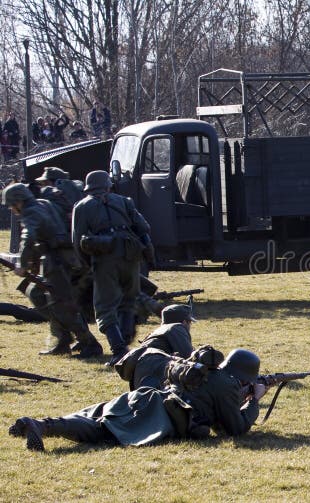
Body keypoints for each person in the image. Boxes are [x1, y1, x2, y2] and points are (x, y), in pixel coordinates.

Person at [8, 348, 268, 451]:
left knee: (96, 413)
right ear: (246, 376)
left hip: (147, 395)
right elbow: (235, 428)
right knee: (101, 430)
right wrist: (254, 400)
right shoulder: (226, 385)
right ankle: (41, 427)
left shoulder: (204, 371)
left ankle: (40, 424)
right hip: (160, 416)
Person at [1, 183, 103, 357]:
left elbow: (28, 237)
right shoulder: (43, 204)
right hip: (58, 260)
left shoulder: (31, 211)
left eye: (11, 204)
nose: (11, 209)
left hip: (57, 263)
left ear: (19, 201)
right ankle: (63, 339)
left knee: (63, 305)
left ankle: (90, 344)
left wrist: (22, 265)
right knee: (36, 294)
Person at [72, 170, 152, 365]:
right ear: (108, 186)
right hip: (131, 253)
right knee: (128, 300)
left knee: (104, 307)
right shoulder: (125, 201)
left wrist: (87, 261)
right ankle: (124, 345)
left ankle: (119, 350)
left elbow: (77, 239)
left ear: (88, 188)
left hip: (104, 257)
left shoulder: (82, 206)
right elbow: (143, 227)